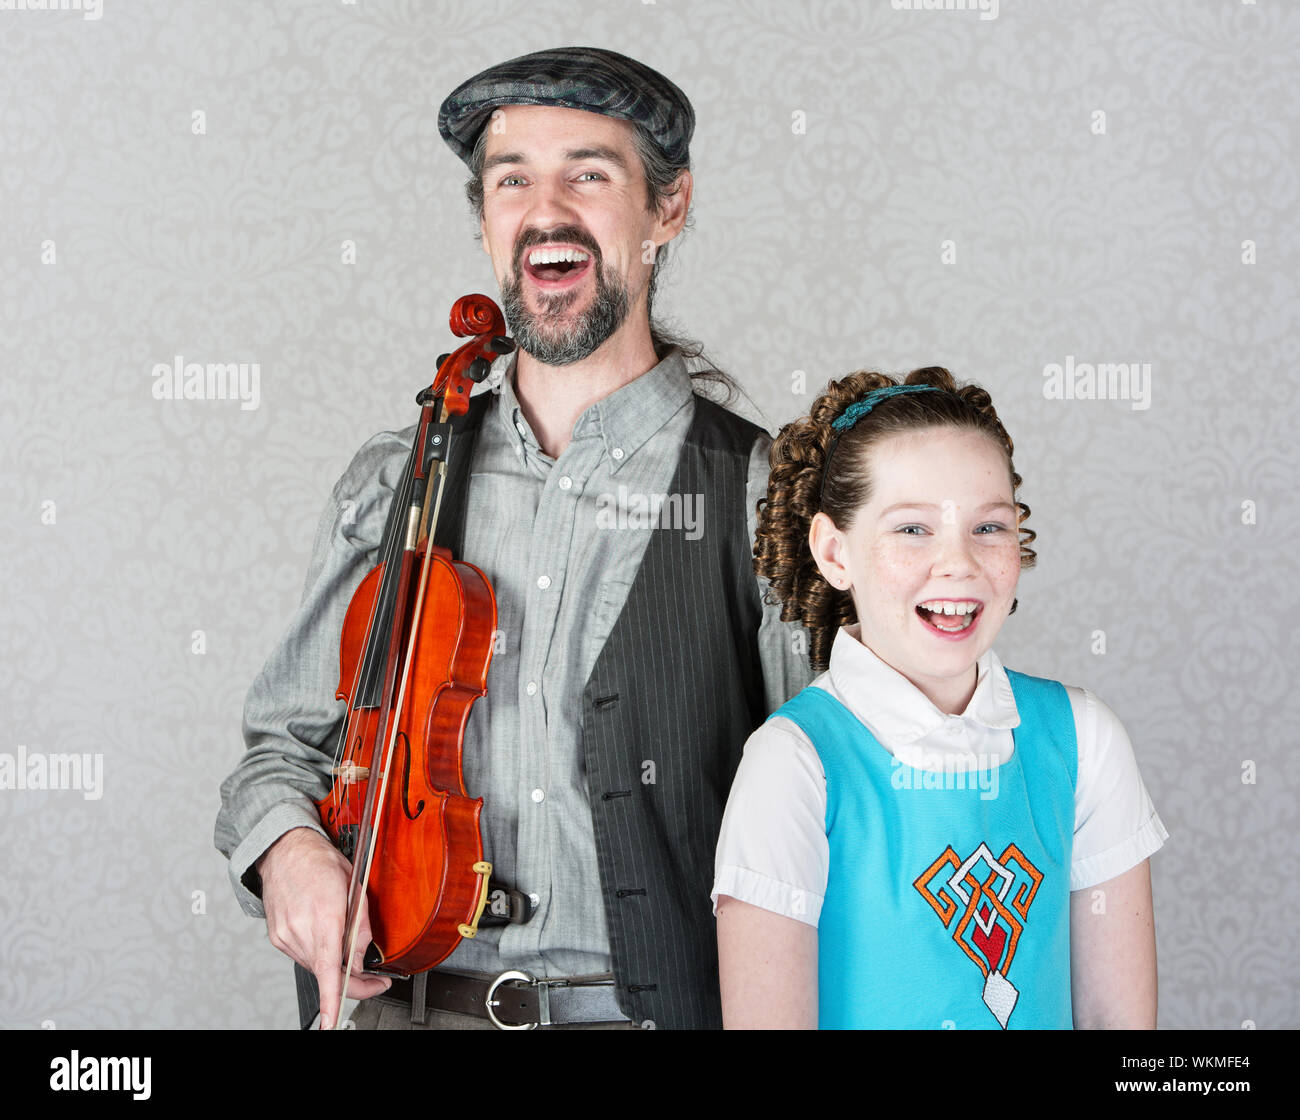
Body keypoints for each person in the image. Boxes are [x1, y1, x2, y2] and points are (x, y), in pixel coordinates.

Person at [214, 46, 812, 1031]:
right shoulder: (397, 481)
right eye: (512, 180)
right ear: (487, 220)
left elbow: (830, 804)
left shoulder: (761, 494)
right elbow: (284, 751)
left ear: (668, 208)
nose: (546, 210)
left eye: (589, 174)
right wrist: (290, 849)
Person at [713, 367, 1168, 1029]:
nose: (959, 563)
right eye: (912, 529)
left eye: (989, 527)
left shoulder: (1085, 739)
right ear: (835, 552)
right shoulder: (793, 763)